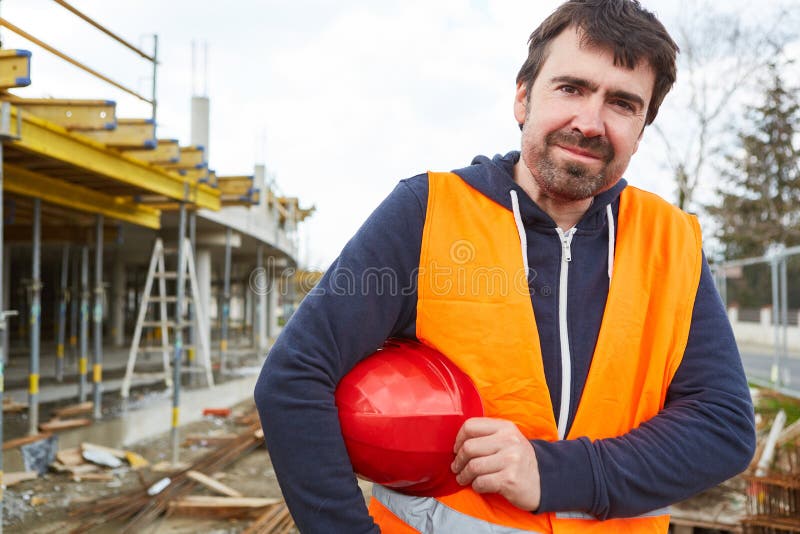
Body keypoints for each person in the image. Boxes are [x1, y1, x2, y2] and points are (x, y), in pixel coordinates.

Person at [254, 0, 756, 532]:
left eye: (623, 104)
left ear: (641, 128)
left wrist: (555, 472)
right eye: (571, 88)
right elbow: (294, 378)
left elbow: (722, 426)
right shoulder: (427, 212)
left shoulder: (672, 241)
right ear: (523, 98)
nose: (590, 123)